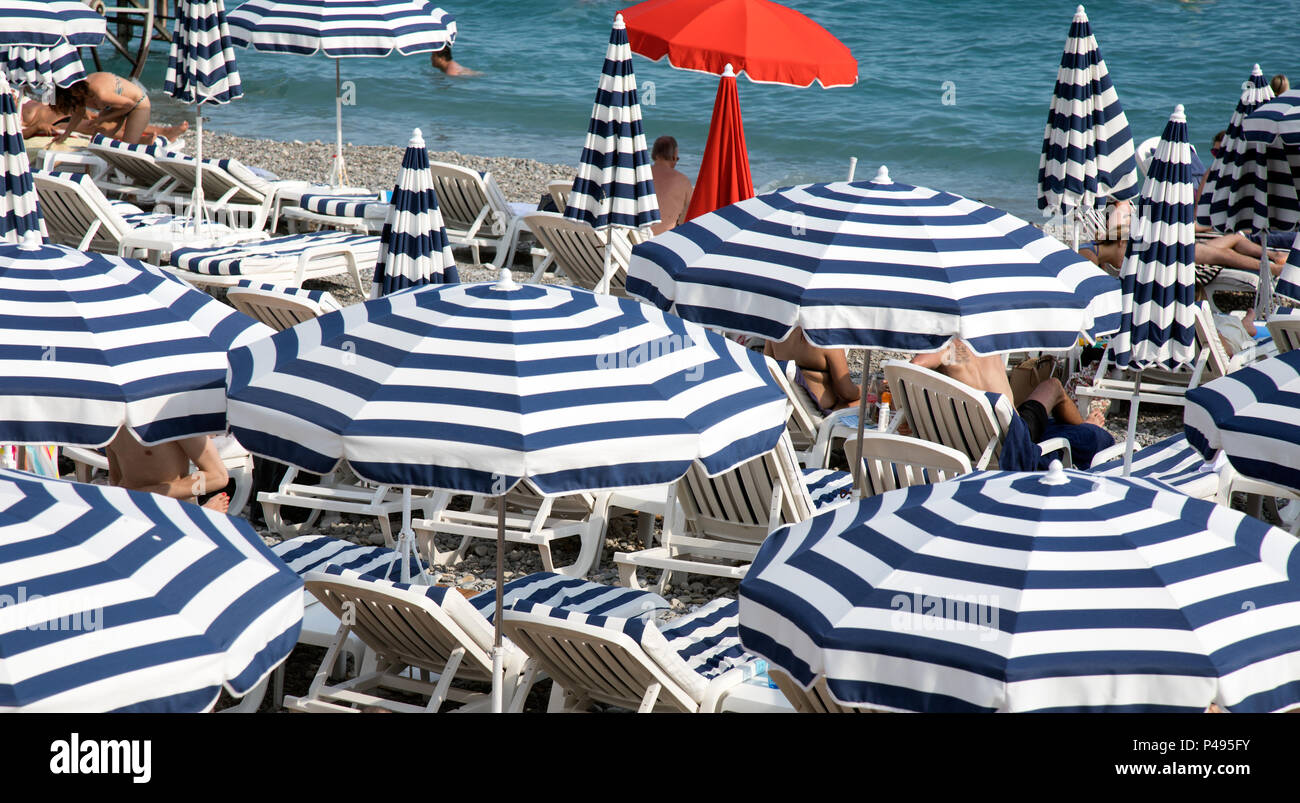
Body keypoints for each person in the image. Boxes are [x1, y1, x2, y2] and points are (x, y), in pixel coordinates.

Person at [911, 339, 1113, 468]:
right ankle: (1086, 426)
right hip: (1010, 433)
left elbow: (914, 367)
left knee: (1049, 391)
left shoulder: (952, 348)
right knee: (1053, 386)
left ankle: (1084, 426)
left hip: (980, 433)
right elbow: (919, 365)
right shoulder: (973, 344)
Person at [106, 431, 229, 513]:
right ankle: (201, 516)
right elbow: (116, 477)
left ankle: (200, 517)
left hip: (169, 507)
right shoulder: (111, 415)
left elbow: (217, 477)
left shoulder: (174, 417)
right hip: (129, 506)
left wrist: (143, 494)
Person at [764, 326, 860, 414]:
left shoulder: (775, 335)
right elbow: (847, 393)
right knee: (865, 401)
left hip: (786, 410)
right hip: (820, 414)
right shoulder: (828, 340)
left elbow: (766, 374)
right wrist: (865, 389)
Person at [51, 72, 153, 145]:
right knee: (96, 143)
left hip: (138, 105)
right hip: (115, 106)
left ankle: (146, 144)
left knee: (128, 146)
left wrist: (101, 119)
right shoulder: (78, 93)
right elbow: (78, 114)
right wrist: (65, 135)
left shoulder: (100, 94)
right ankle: (93, 172)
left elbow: (130, 105)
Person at [649, 135, 693, 236]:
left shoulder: (640, 175)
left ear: (654, 154)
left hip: (637, 238)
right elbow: (687, 218)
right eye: (677, 158)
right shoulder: (683, 181)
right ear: (673, 156)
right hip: (666, 239)